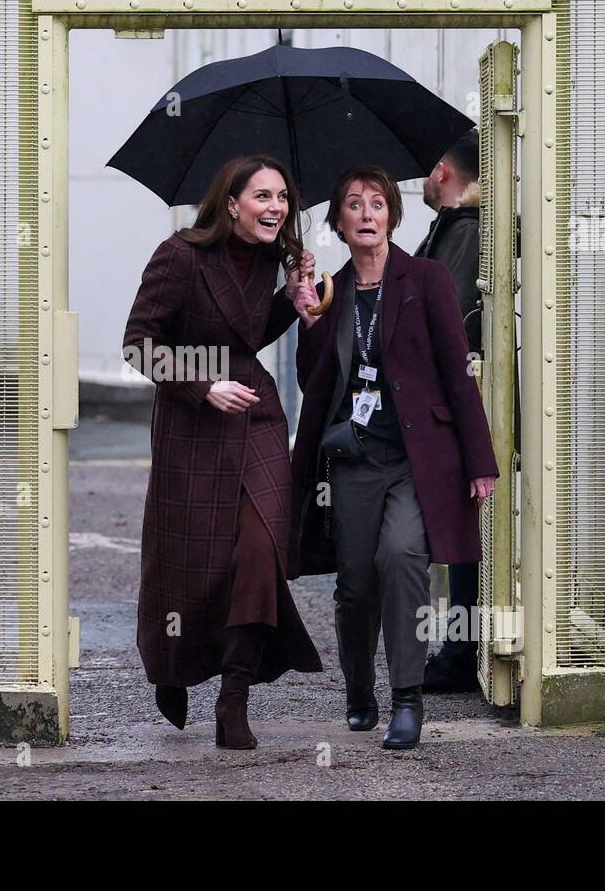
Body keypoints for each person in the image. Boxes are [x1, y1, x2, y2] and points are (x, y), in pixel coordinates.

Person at [288, 165, 498, 749]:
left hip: (417, 459)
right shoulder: (333, 291)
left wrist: (479, 460)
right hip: (356, 459)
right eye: (353, 206)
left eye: (376, 204)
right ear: (339, 222)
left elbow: (459, 374)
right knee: (355, 585)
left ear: (391, 217)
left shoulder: (426, 278)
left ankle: (408, 700)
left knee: (404, 556)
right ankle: (360, 692)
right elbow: (314, 382)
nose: (366, 214)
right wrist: (309, 318)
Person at [122, 154, 322, 750]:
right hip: (194, 421)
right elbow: (138, 344)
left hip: (256, 414)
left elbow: (249, 335)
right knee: (192, 560)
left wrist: (294, 296)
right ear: (231, 203)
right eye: (262, 196)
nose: (276, 207)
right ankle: (172, 665)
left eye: (283, 197)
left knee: (262, 549)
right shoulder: (179, 255)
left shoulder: (272, 260)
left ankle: (234, 698)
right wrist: (202, 386)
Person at [412, 129, 485, 693]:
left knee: (462, 536)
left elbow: (449, 319)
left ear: (442, 171)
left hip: (454, 405)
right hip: (459, 402)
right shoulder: (458, 228)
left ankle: (458, 657)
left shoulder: (462, 232)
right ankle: (457, 652)